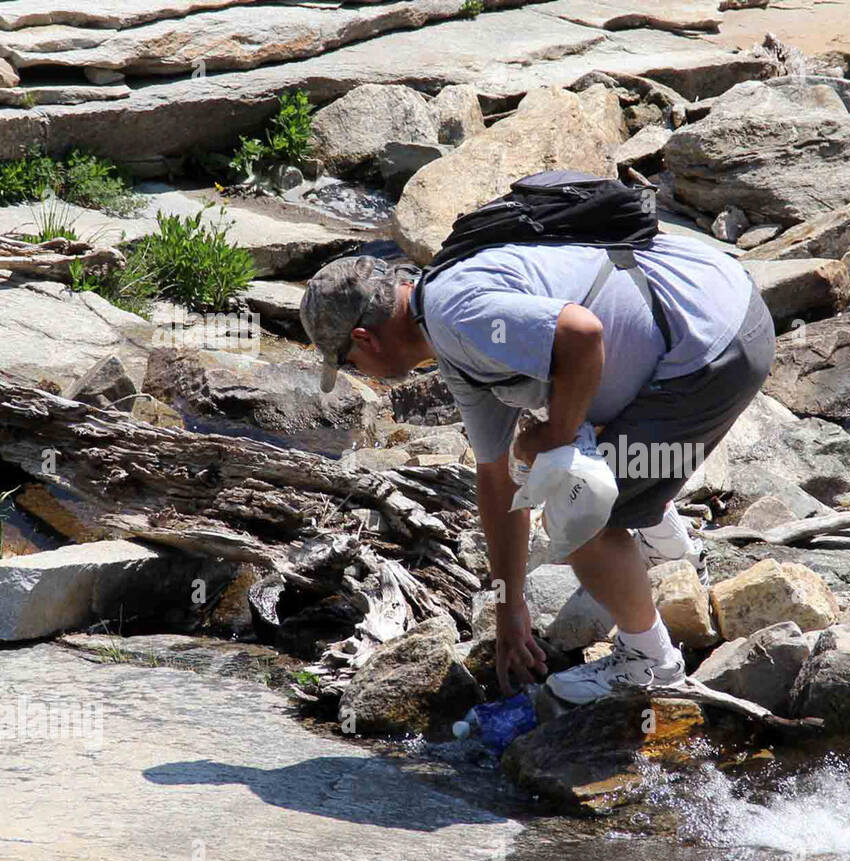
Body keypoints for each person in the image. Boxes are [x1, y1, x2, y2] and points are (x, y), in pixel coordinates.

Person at [300, 212, 775, 706]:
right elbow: (497, 476)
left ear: (364, 339)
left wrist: (554, 436)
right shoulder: (445, 318)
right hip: (719, 302)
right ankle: (670, 550)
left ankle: (652, 665)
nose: (363, 374)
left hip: (714, 344)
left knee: (573, 506)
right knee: (581, 444)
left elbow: (582, 333)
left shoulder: (456, 317)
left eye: (350, 365)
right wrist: (509, 609)